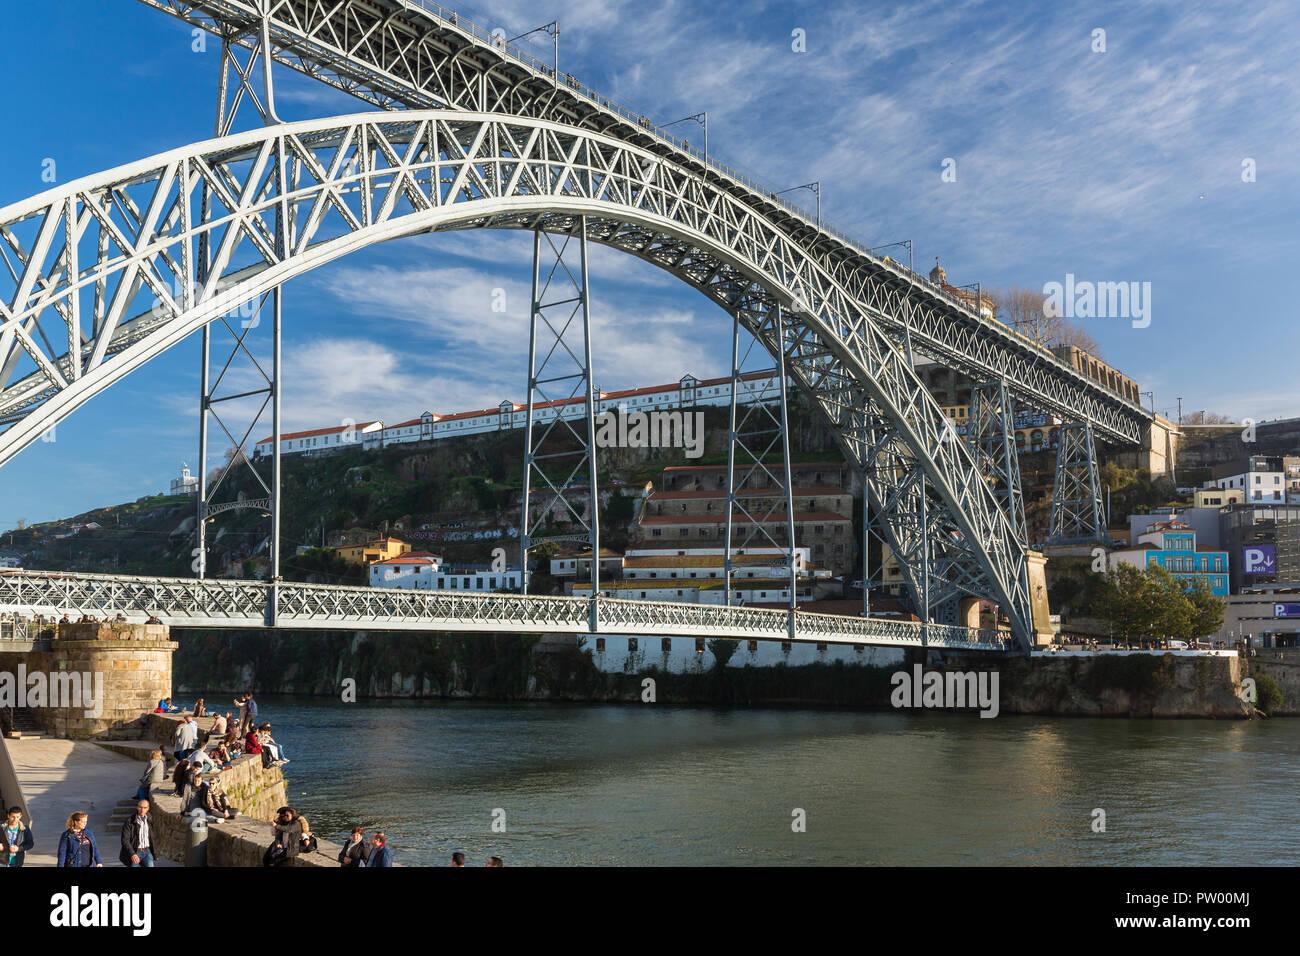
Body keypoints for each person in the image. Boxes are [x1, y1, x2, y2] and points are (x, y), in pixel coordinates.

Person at [120, 799, 155, 867]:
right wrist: (132, 853)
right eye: (140, 807)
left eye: (144, 808)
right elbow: (125, 840)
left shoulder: (150, 819)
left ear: (148, 808)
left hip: (147, 851)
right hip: (135, 851)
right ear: (137, 807)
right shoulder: (130, 821)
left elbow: (153, 836)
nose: (142, 810)